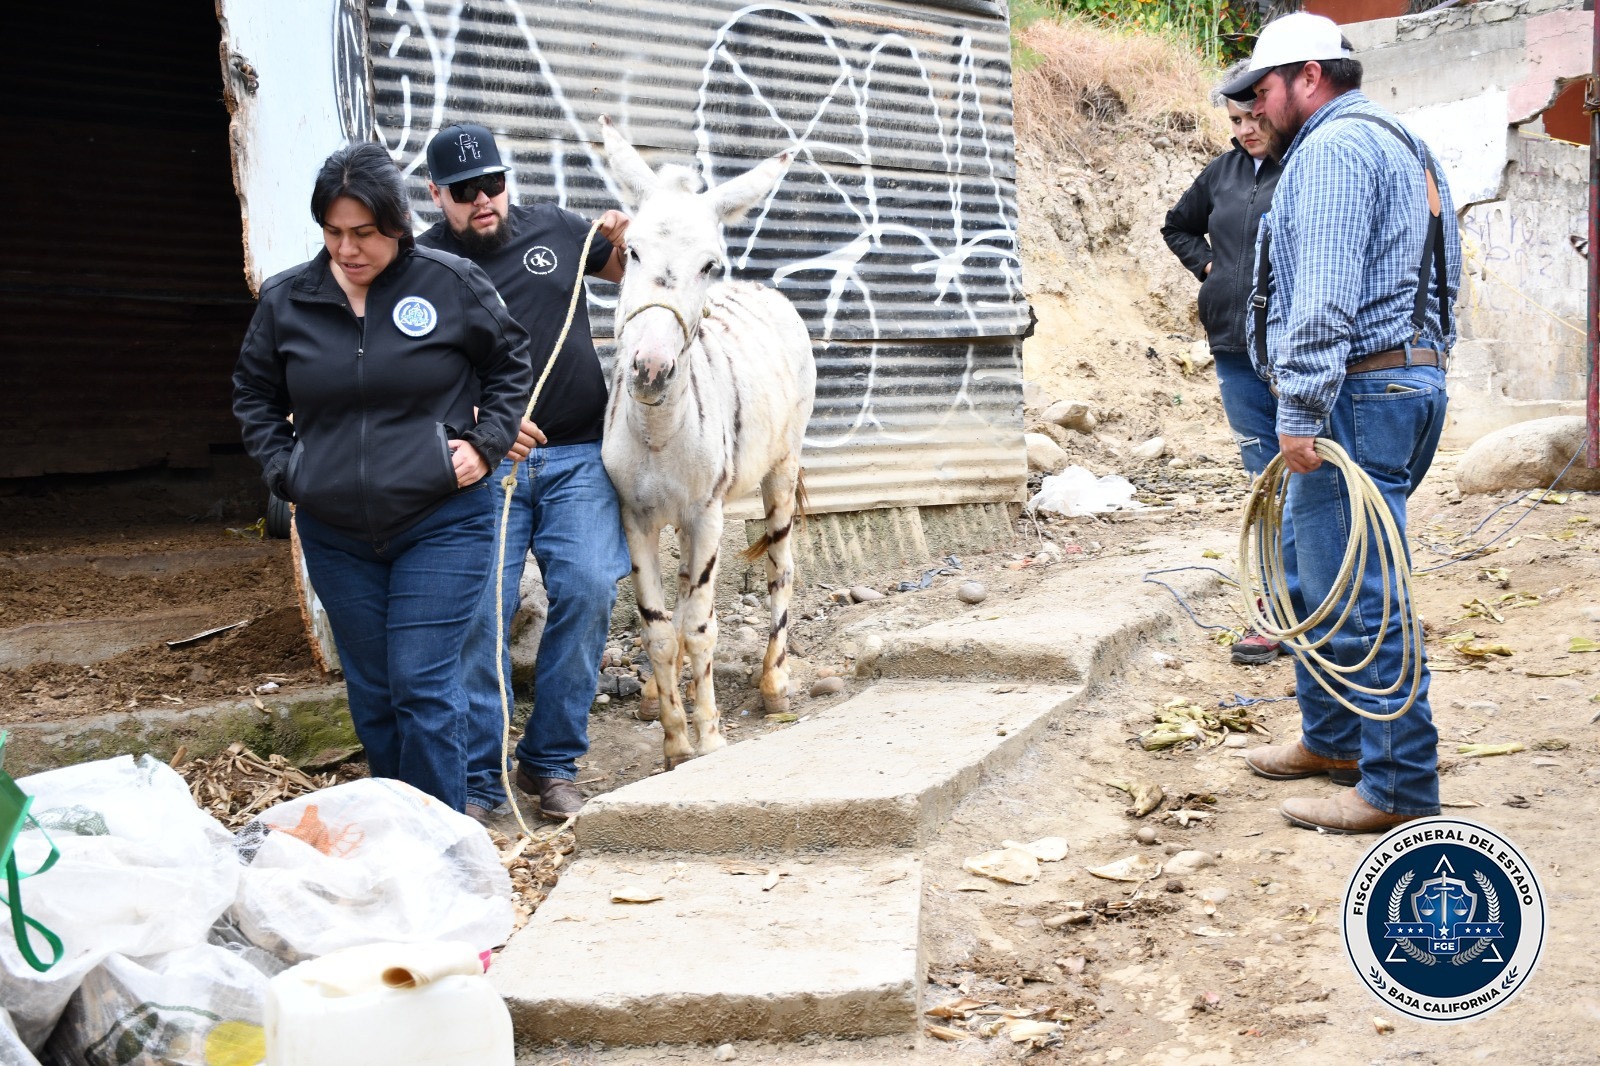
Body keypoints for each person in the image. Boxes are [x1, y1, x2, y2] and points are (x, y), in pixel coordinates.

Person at [233, 142, 533, 812]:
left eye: (364, 233)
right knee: (373, 692)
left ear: (396, 224)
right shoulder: (288, 300)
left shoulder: (450, 284)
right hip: (335, 533)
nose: (348, 249)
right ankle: (398, 832)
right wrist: (287, 470)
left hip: (442, 521)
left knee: (423, 682)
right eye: (335, 233)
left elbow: (511, 359)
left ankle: (441, 845)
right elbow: (252, 392)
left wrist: (486, 443)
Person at [1221, 13, 1458, 833]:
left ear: (1310, 77)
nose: (1258, 103)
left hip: (1354, 395)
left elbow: (1321, 297)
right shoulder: (1405, 144)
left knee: (1360, 592)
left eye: (1265, 88)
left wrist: (1302, 407)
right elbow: (1443, 278)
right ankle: (1334, 740)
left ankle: (1397, 785)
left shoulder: (1328, 151)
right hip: (1400, 381)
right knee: (1314, 574)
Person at [415, 123, 632, 823]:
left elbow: (637, 271)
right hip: (487, 468)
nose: (484, 200)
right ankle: (480, 775)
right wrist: (478, 420)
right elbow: (404, 376)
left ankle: (550, 762)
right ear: (435, 193)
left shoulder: (561, 233)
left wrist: (631, 234)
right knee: (481, 612)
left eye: (494, 184)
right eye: (465, 191)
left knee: (591, 587)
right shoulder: (419, 268)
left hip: (577, 456)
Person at [1162, 69, 1285, 667]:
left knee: (1312, 478)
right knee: (1264, 483)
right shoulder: (1223, 171)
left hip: (1294, 350)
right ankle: (1271, 612)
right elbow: (1177, 225)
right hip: (1235, 348)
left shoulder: (1308, 164)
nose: (1244, 132)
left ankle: (1327, 605)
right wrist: (1209, 268)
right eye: (1234, 122)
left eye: (1253, 119)